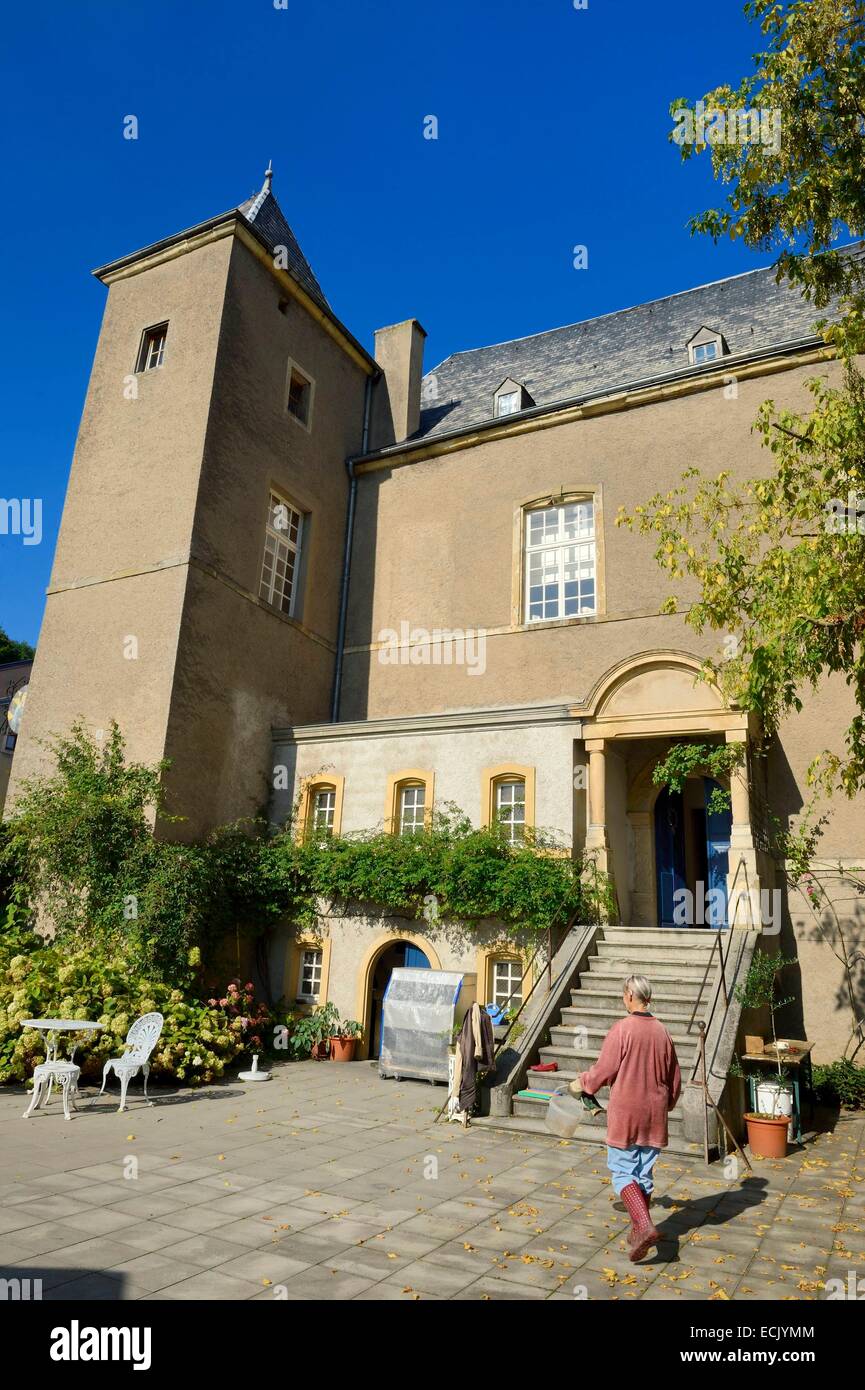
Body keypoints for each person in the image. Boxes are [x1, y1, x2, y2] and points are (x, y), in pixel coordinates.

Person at [572, 974, 681, 1262]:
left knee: (622, 1172)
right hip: (654, 1114)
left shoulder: (622, 1029)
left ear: (631, 996)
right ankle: (638, 1231)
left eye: (624, 994)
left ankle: (643, 1226)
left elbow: (605, 1069)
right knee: (643, 1174)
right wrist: (667, 1104)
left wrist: (585, 1083)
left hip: (627, 1113)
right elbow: (674, 1077)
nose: (623, 999)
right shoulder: (662, 1032)